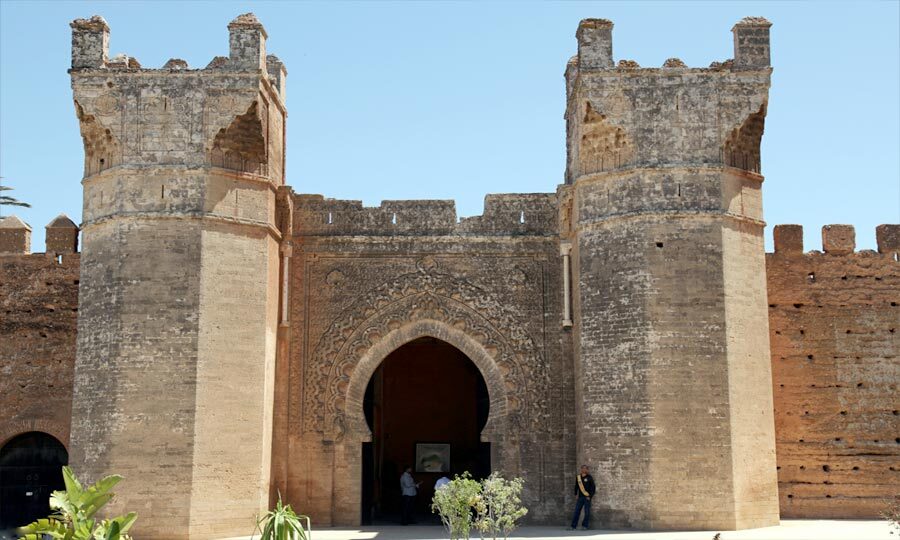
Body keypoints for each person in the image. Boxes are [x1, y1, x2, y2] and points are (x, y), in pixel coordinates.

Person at [569, 464, 596, 530]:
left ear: (587, 470)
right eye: (583, 468)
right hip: (580, 497)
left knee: (587, 512)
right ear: (581, 469)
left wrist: (590, 496)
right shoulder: (578, 477)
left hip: (587, 497)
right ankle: (573, 526)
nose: (584, 470)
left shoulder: (589, 477)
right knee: (576, 512)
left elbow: (593, 488)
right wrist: (576, 494)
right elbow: (576, 486)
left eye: (585, 468)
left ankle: (585, 526)